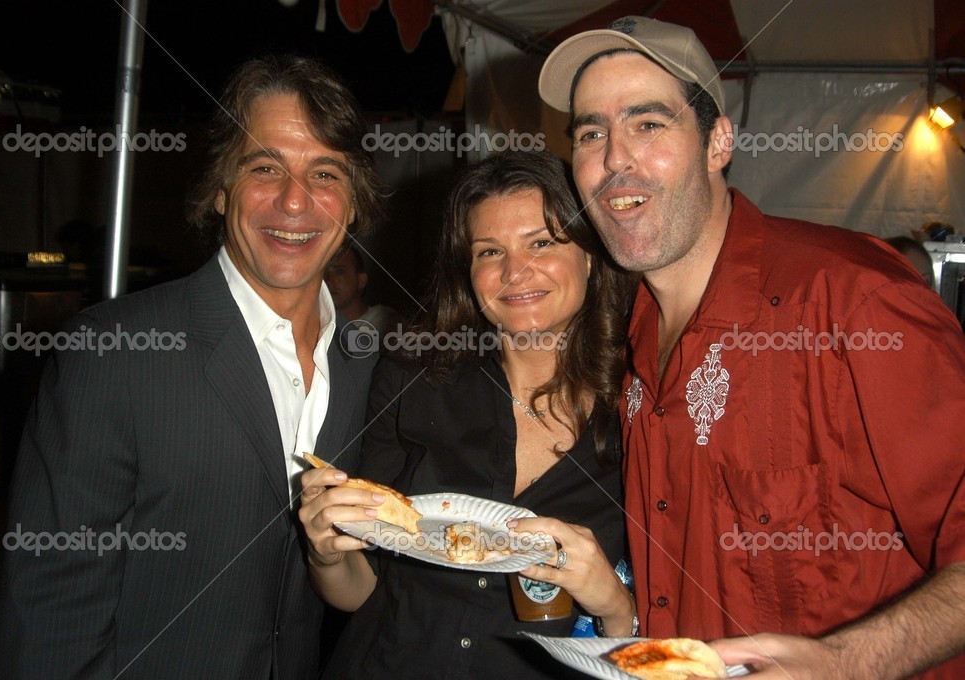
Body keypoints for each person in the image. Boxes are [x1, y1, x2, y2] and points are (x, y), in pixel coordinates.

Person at [538, 15, 965, 679]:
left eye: (647, 123)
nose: (614, 158)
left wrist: (845, 662)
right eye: (592, 132)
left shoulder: (851, 303)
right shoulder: (635, 331)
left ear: (718, 142)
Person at [0, 54, 385, 678]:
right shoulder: (113, 351)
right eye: (265, 167)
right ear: (220, 189)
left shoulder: (370, 365)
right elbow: (51, 609)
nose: (295, 200)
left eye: (325, 173)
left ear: (354, 203)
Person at [298, 150, 637, 679]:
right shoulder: (412, 379)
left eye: (541, 243)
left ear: (590, 255)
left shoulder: (643, 411)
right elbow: (363, 590)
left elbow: (657, 635)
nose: (514, 272)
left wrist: (615, 604)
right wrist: (326, 553)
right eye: (489, 251)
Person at [324, 242, 404, 339]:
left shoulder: (384, 320)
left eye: (340, 271)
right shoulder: (319, 326)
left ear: (361, 280)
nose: (329, 280)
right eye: (324, 273)